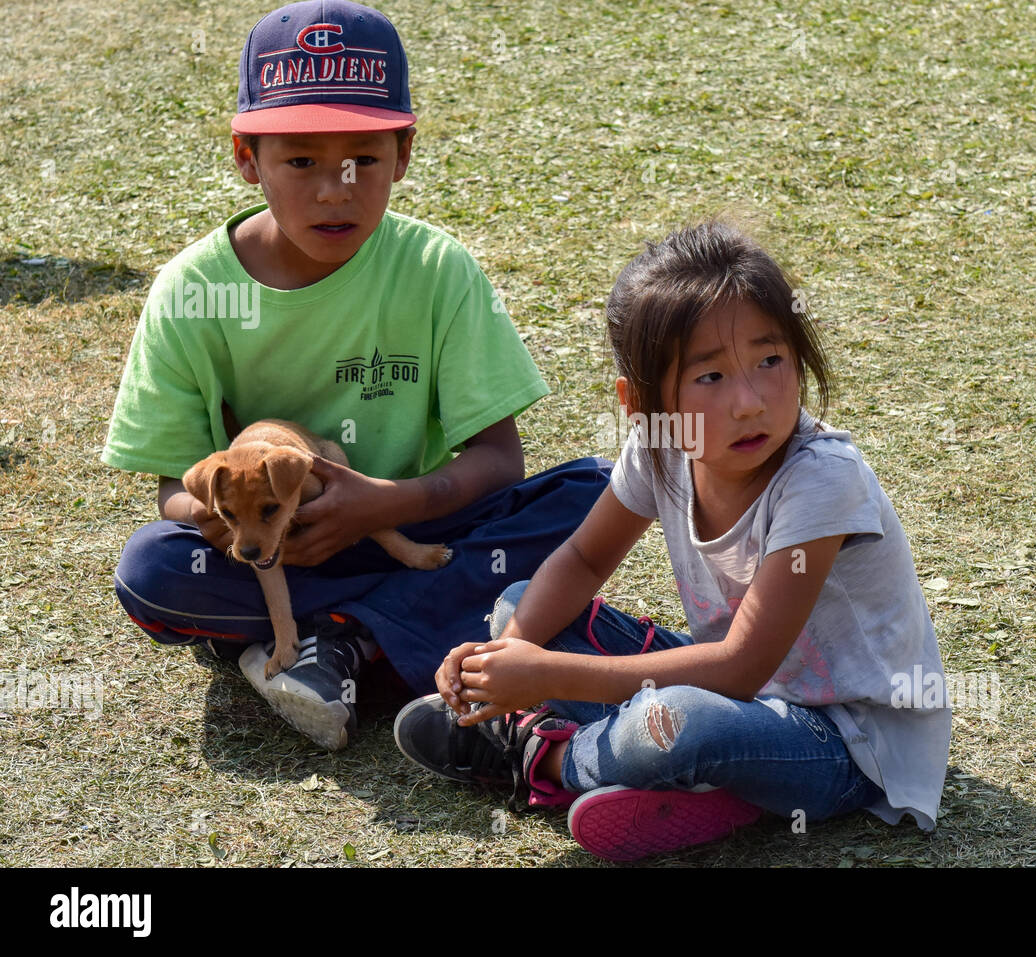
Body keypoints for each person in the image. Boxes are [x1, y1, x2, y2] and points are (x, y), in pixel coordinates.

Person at [101, 0, 609, 751]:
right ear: (248, 158)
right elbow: (172, 488)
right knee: (152, 569)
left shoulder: (437, 269)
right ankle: (421, 624)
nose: (334, 190)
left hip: (416, 521)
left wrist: (382, 504)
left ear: (403, 154)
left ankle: (339, 636)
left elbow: (500, 461)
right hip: (274, 547)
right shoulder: (192, 290)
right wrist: (223, 515)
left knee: (592, 495)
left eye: (362, 161)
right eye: (300, 161)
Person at [393, 220, 952, 861]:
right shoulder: (662, 445)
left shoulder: (823, 479)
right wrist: (506, 659)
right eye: (709, 377)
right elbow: (582, 559)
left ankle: (543, 759)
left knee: (684, 722)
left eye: (770, 360)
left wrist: (543, 675)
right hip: (730, 690)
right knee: (520, 602)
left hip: (843, 744)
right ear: (643, 405)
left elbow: (741, 667)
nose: (749, 401)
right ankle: (703, 786)